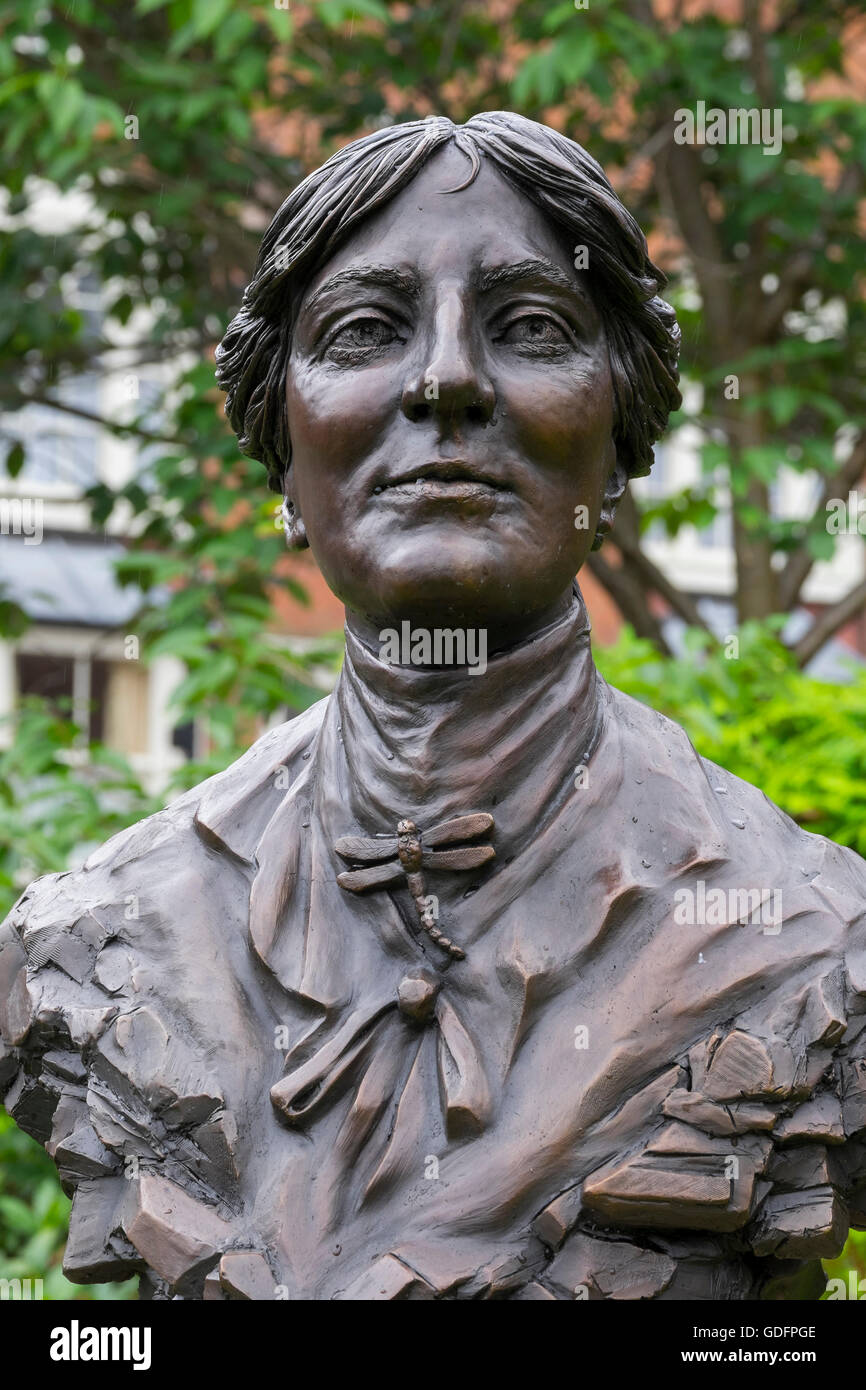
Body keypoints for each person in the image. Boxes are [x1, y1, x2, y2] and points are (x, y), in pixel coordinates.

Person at [2, 113, 865, 1301]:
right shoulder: (95, 937)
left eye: (529, 328)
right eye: (364, 330)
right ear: (282, 456)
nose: (447, 379)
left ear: (617, 444)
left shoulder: (815, 938)